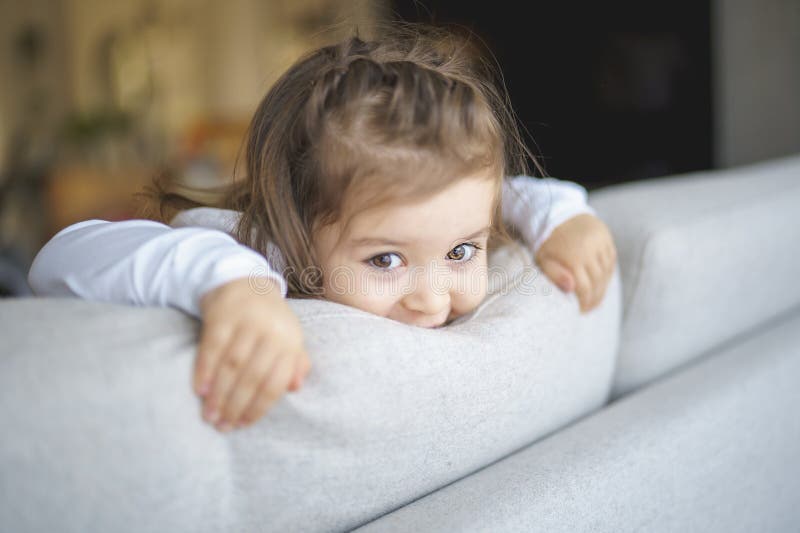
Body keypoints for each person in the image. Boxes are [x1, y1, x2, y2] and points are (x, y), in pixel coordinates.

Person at [28, 23, 617, 433]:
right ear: (294, 225)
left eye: (462, 251)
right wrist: (235, 286)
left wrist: (559, 215)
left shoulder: (430, 219)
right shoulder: (260, 252)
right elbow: (55, 258)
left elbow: (492, 195)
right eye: (385, 260)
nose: (434, 298)